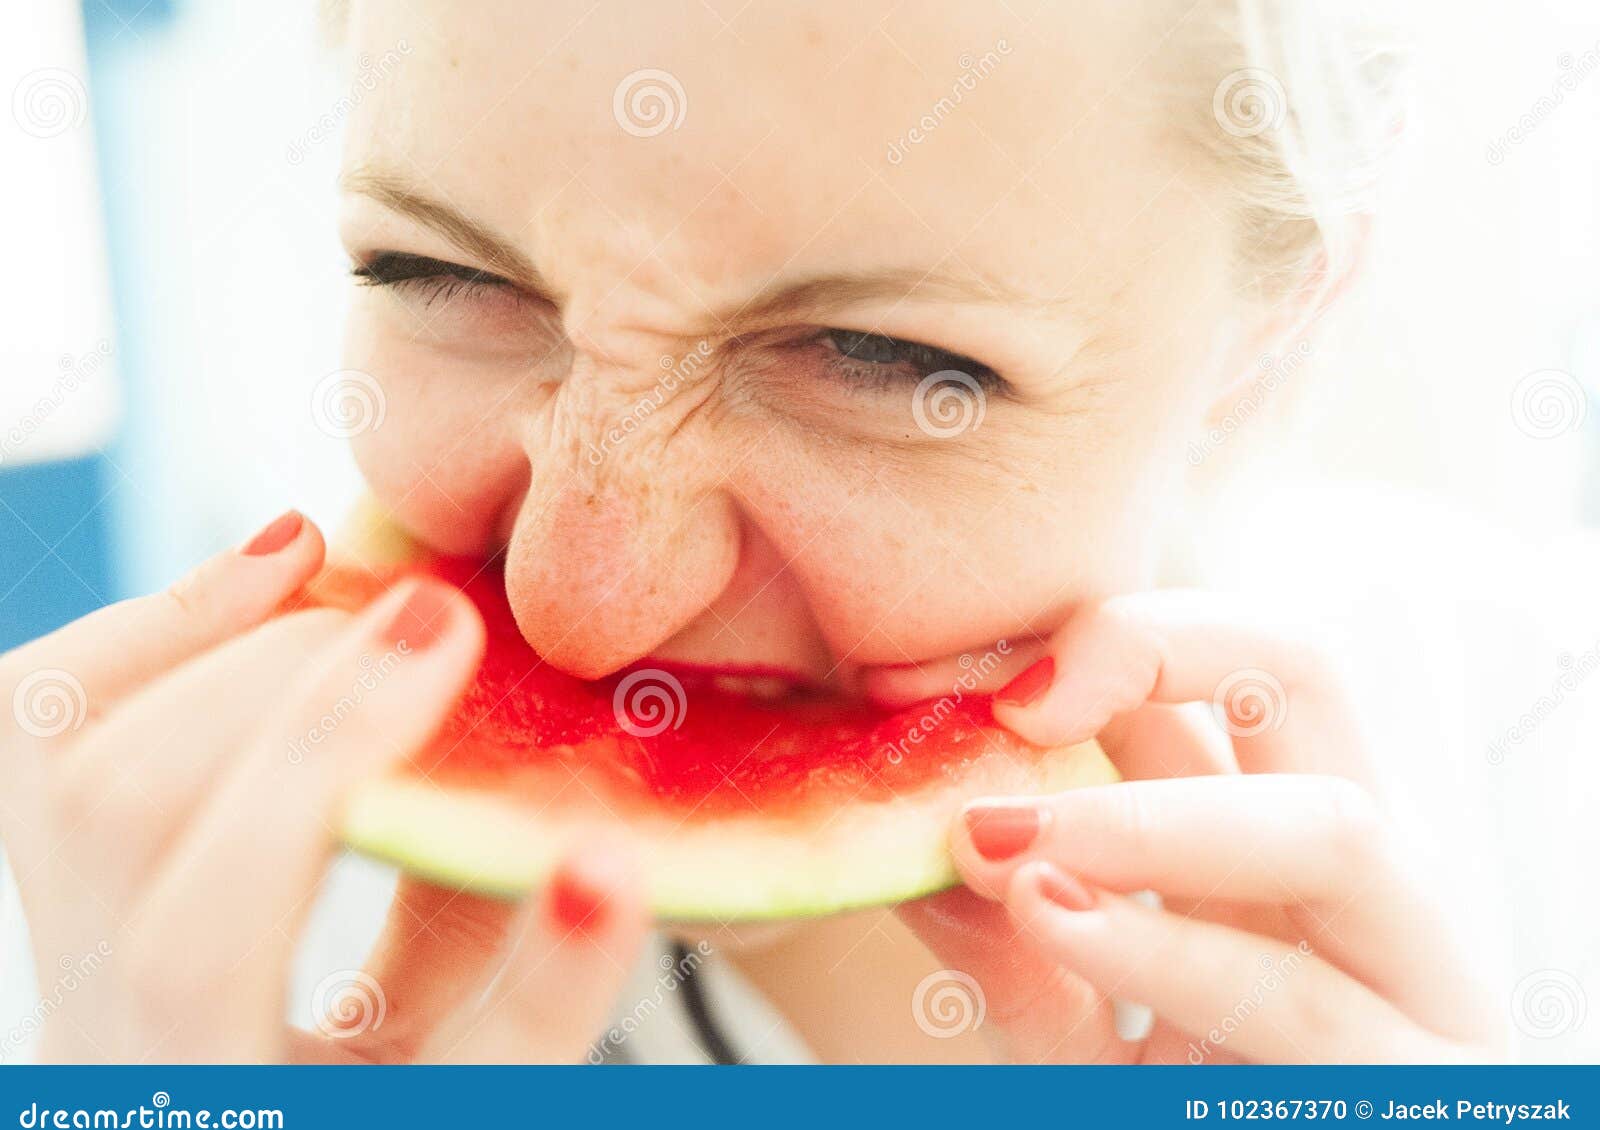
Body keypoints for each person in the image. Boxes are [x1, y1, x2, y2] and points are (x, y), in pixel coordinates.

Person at [0, 0, 1504, 1062]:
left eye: (878, 360)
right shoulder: (165, 980)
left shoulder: (1539, 787)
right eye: (434, 272)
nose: (580, 603)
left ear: (1270, 336)